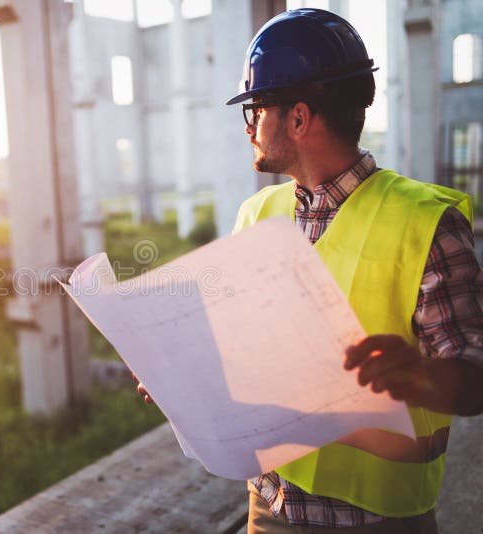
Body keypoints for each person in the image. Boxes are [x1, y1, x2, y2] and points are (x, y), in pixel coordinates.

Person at [135, 8, 483, 533]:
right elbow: (242, 353)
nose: (250, 124)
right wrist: (181, 374)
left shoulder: (428, 223)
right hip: (269, 508)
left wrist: (423, 376)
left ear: (298, 118)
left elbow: (475, 376)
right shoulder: (257, 215)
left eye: (256, 108)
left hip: (378, 521)